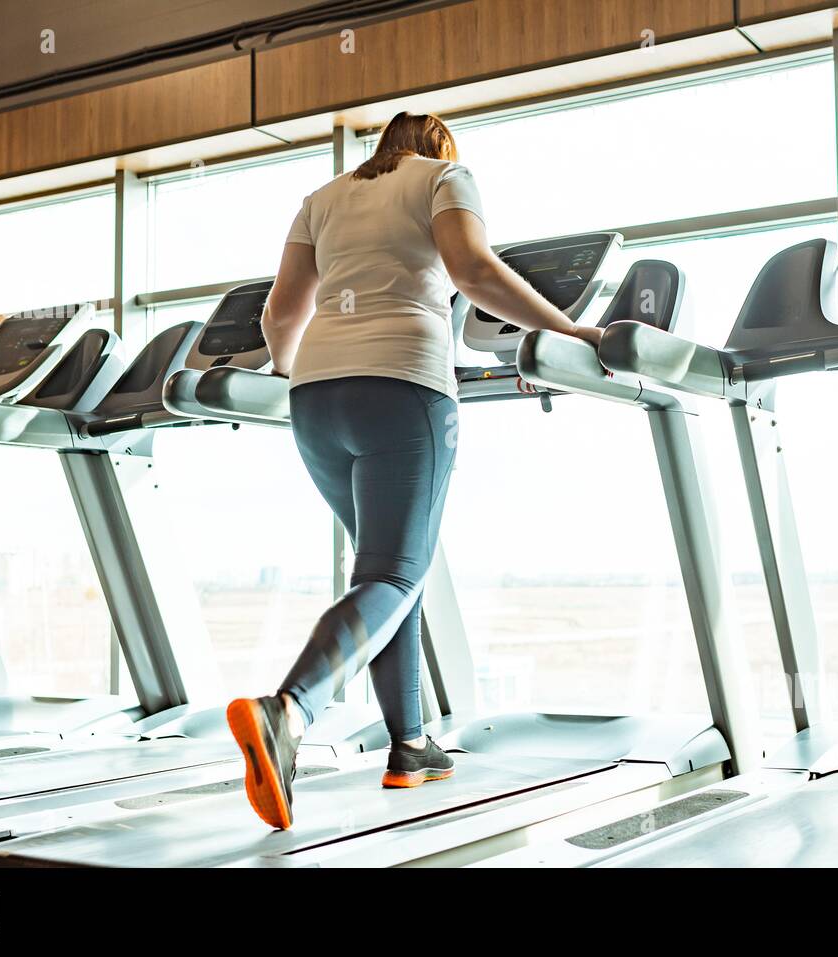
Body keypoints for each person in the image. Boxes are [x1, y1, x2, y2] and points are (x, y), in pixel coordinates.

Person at [225, 112, 604, 830]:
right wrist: (566, 331)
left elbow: (280, 315)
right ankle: (289, 710)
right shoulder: (445, 178)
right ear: (440, 150)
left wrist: (289, 372)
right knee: (395, 573)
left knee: (391, 573)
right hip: (402, 386)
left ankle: (411, 743)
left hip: (315, 400)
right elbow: (473, 271)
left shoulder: (323, 197)